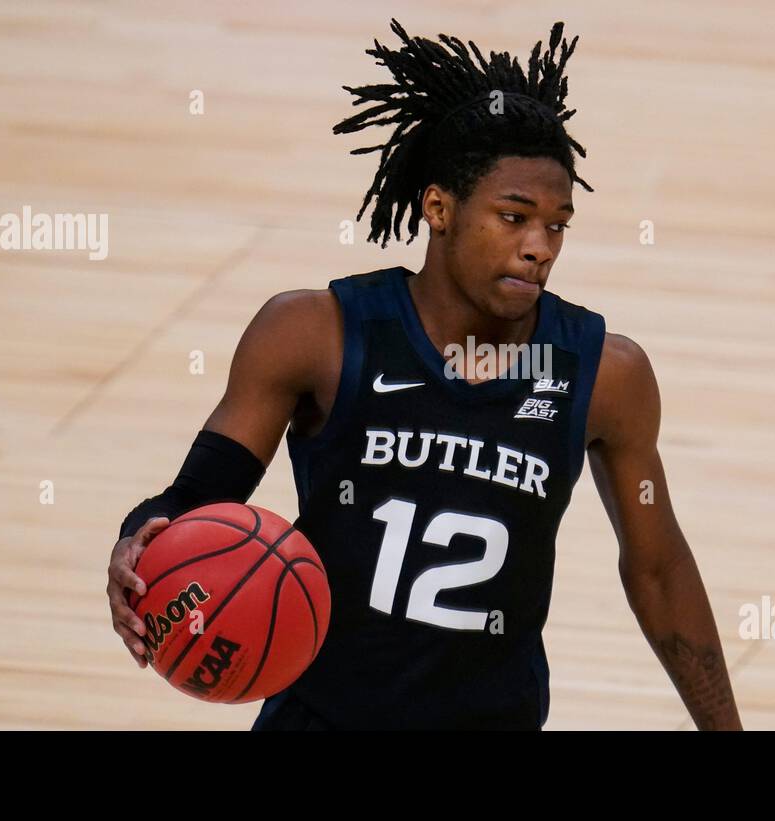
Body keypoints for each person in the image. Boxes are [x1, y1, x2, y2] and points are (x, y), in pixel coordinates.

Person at [105, 19, 741, 730]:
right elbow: (194, 500)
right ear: (438, 207)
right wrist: (138, 544)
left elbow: (658, 570)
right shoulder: (316, 334)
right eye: (513, 216)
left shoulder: (603, 374)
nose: (539, 247)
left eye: (558, 224)